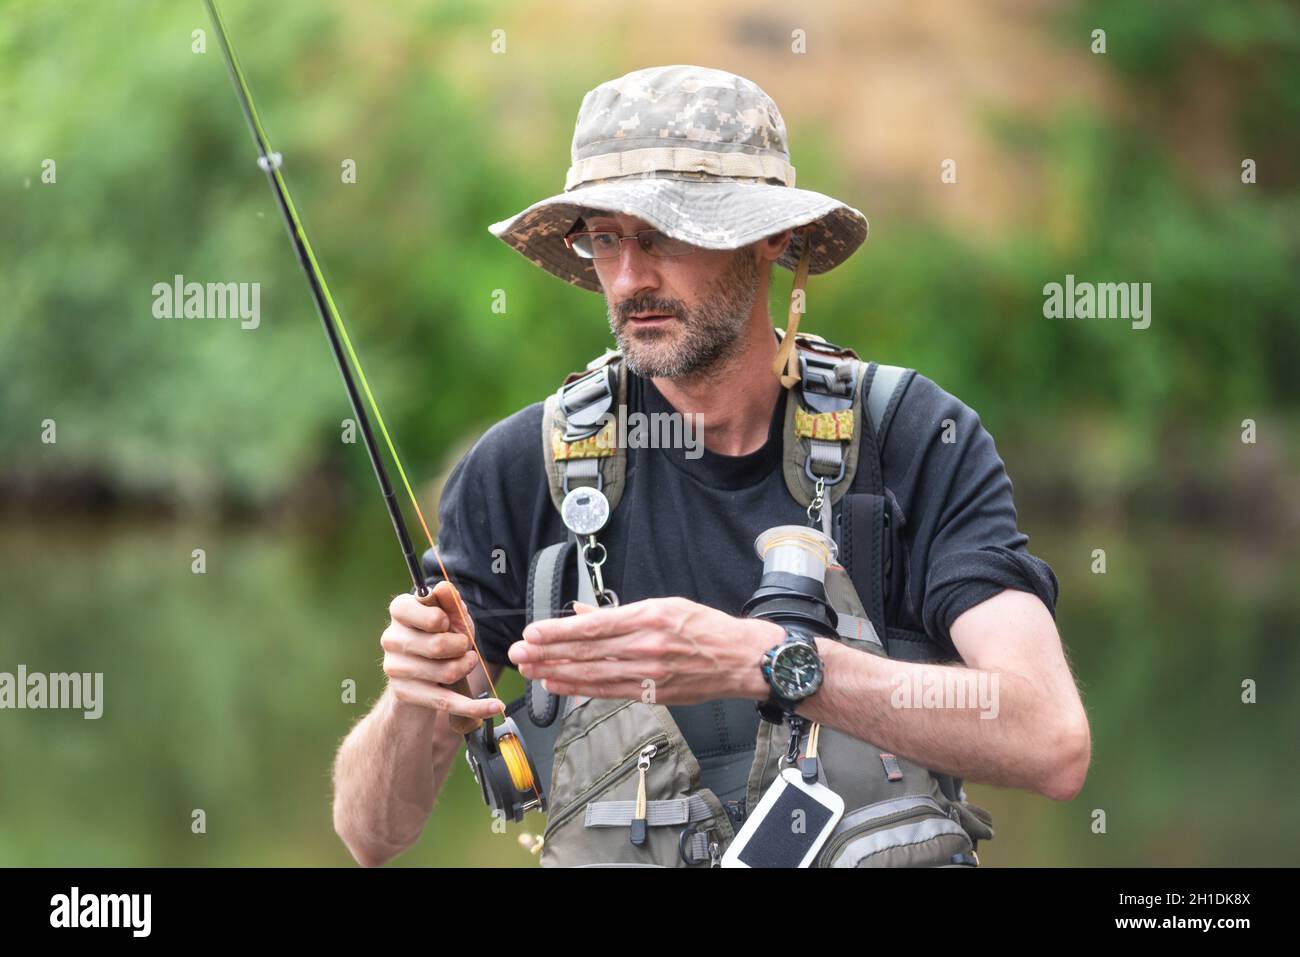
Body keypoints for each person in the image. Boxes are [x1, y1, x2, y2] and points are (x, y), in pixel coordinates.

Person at [331, 64, 1090, 868]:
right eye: (605, 238)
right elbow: (371, 835)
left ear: (770, 237)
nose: (629, 280)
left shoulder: (915, 440)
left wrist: (761, 661)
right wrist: (415, 697)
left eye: (662, 234)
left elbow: (1048, 737)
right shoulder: (519, 472)